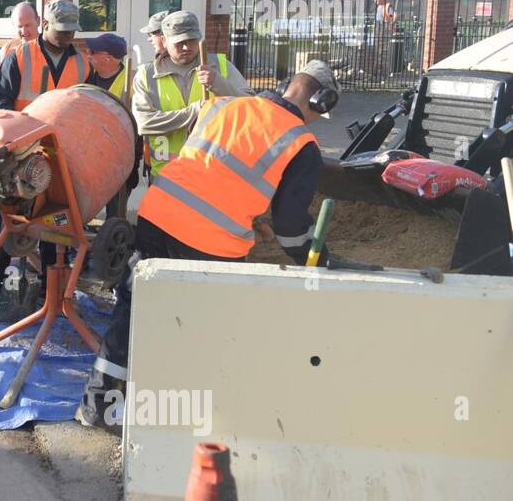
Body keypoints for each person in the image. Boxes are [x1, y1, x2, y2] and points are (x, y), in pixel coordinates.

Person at [81, 60, 342, 427]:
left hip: (158, 214)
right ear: (321, 101)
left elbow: (212, 170)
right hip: (210, 242)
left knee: (134, 307)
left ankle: (99, 408)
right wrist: (319, 260)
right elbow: (291, 228)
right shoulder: (302, 143)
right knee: (207, 325)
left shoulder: (223, 104)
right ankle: (189, 414)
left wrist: (250, 216)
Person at [0, 0, 91, 321]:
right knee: (4, 224)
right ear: (46, 26)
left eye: (72, 32)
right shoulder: (20, 57)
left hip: (60, 158)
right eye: (62, 31)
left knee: (59, 225)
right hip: (21, 158)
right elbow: (0, 102)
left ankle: (52, 295)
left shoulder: (82, 64)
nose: (67, 37)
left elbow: (88, 109)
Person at [132, 10, 253, 178]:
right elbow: (144, 123)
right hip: (166, 176)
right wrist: (195, 112)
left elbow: (251, 108)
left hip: (214, 172)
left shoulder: (220, 66)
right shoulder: (146, 75)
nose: (186, 47)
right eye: (179, 42)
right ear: (164, 41)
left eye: (191, 40)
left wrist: (218, 84)